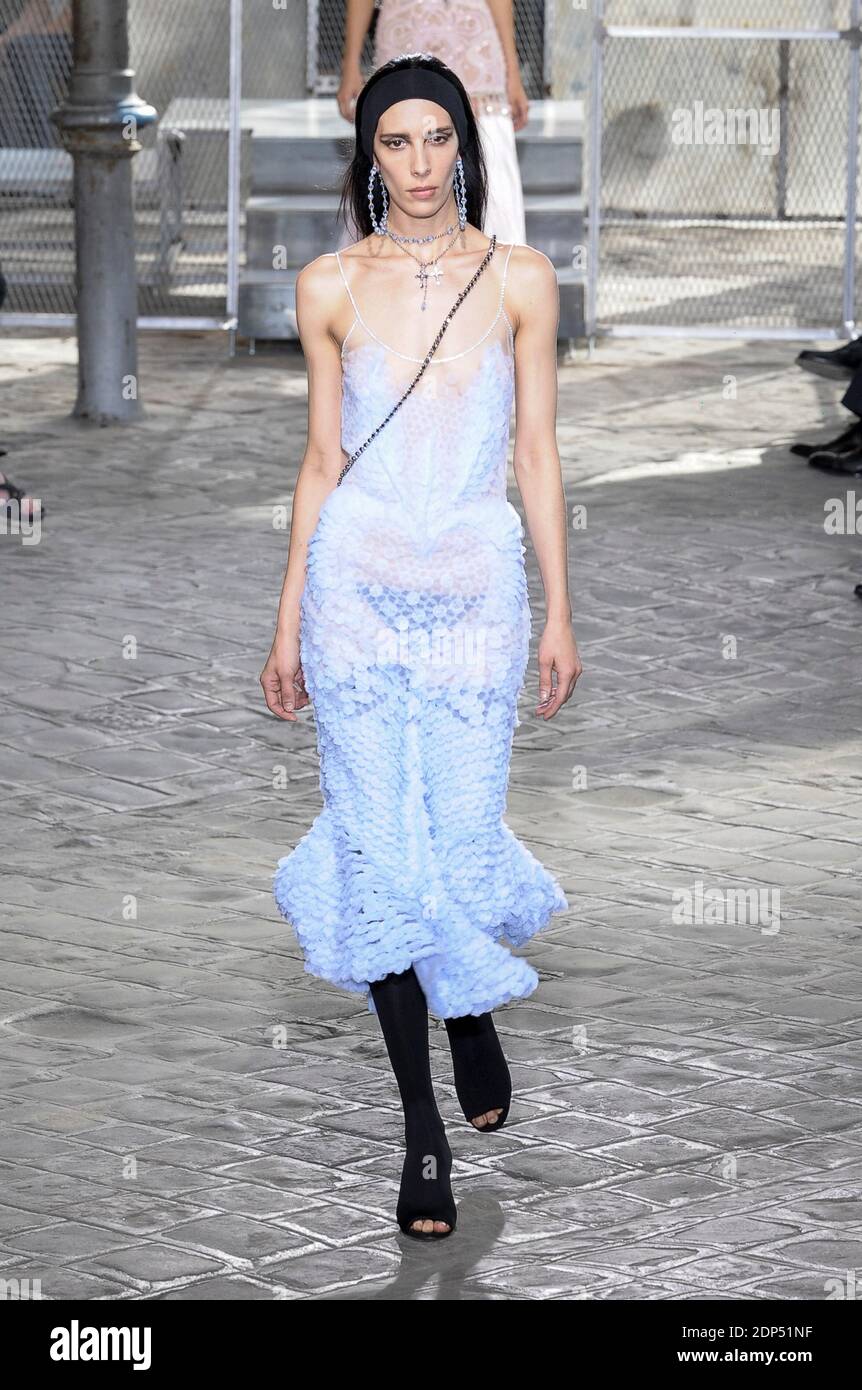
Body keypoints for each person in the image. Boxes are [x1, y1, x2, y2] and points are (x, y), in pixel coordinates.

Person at [260, 54, 580, 1240]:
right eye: (396, 142)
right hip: (356, 589)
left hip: (477, 596)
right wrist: (289, 615)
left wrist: (560, 606)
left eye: (437, 139)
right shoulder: (330, 285)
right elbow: (320, 461)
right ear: (370, 156)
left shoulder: (523, 282)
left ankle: (470, 1013)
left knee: (451, 829)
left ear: (464, 146)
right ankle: (420, 1133)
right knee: (378, 848)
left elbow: (538, 453)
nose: (420, 164)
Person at [338, 0, 528, 244]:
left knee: (488, 169)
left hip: (473, 41)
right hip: (405, 31)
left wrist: (512, 72)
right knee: (398, 146)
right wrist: (350, 63)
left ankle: (495, 274)